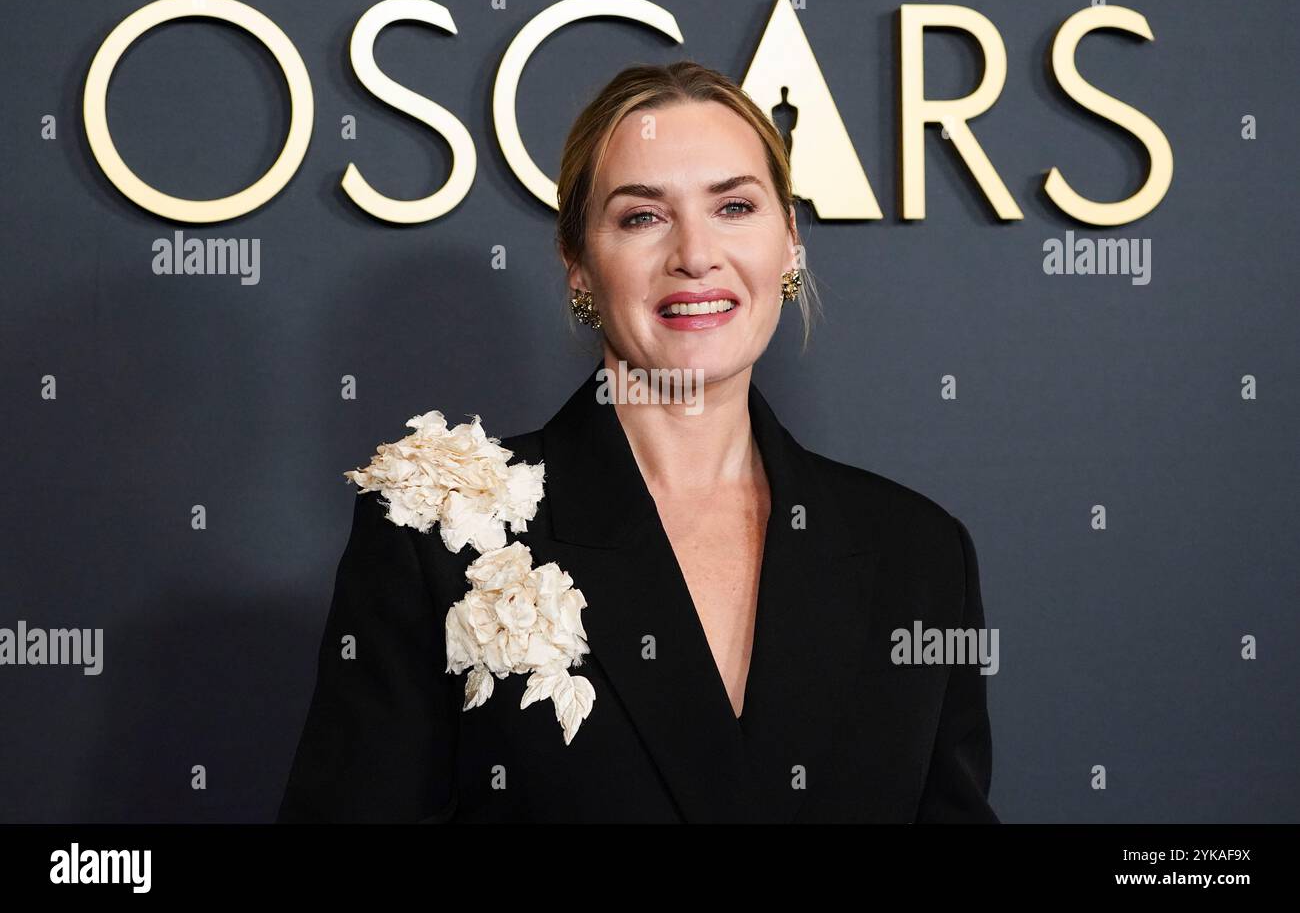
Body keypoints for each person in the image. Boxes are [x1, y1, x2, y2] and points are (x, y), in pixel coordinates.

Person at [277, 60, 997, 823]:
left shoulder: (919, 554)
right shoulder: (437, 535)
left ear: (790, 243)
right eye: (642, 217)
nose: (694, 254)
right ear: (579, 265)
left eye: (735, 207)